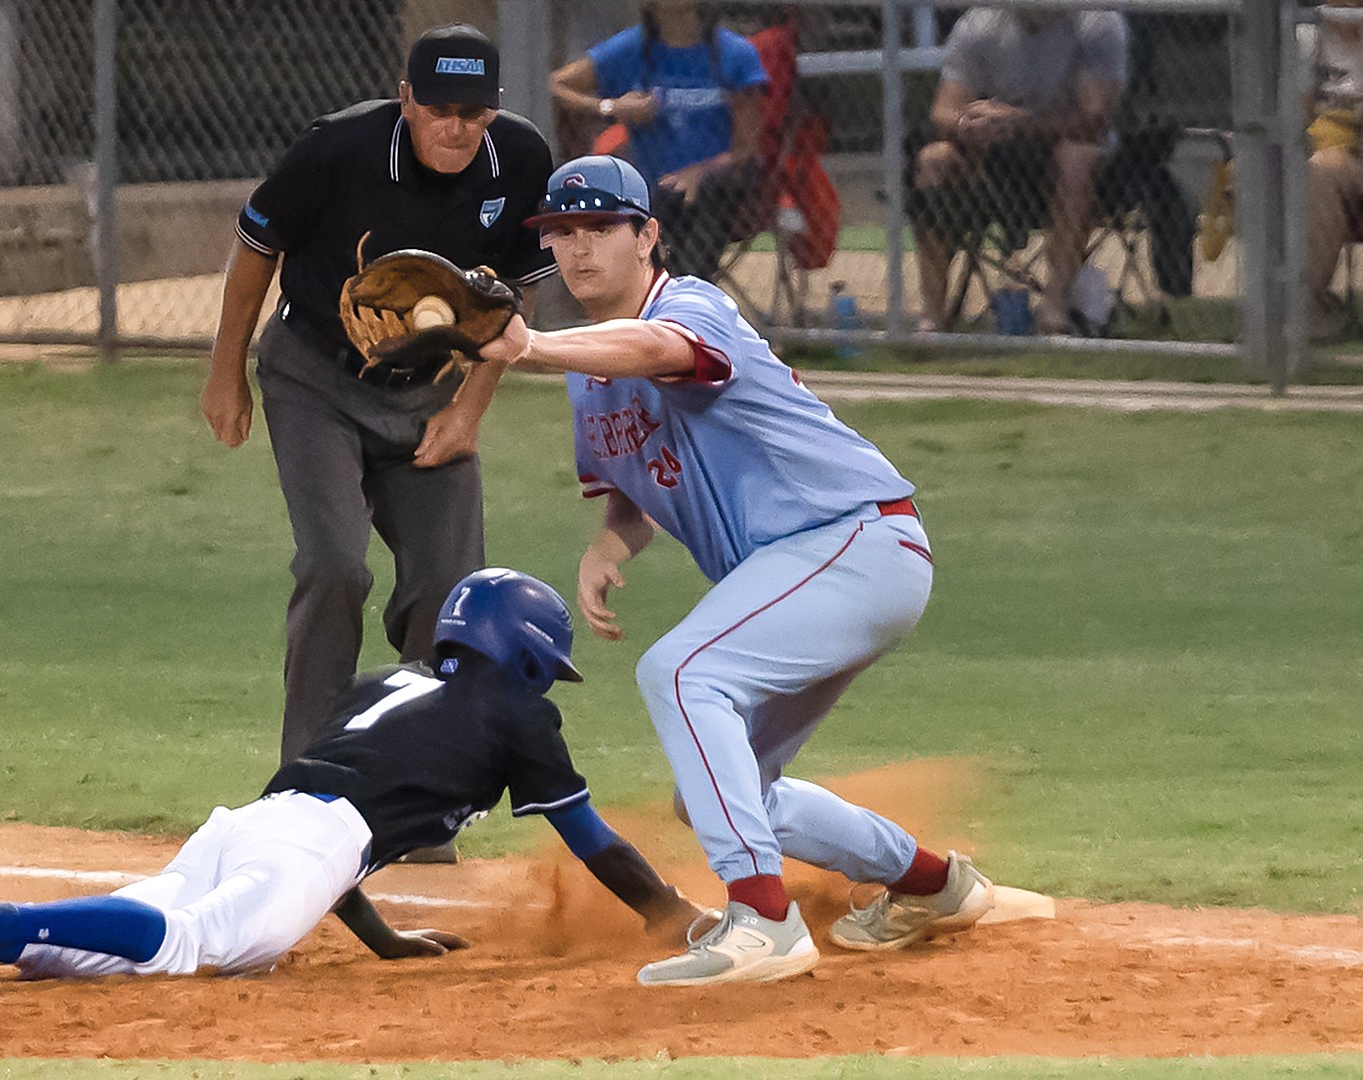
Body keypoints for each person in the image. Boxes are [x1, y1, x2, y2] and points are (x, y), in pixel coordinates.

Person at [476, 155, 996, 988]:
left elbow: (663, 351)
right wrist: (612, 543)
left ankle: (762, 921)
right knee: (725, 788)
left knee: (680, 673)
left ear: (647, 236)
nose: (579, 250)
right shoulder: (587, 372)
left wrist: (529, 344)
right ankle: (934, 886)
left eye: (601, 229)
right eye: (562, 233)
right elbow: (632, 485)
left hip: (852, 541)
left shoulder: (693, 306)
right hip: (812, 567)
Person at [0, 568, 708, 989]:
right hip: (310, 839)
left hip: (253, 821)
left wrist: (381, 940)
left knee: (121, 943)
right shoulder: (517, 713)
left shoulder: (390, 681)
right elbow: (595, 842)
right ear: (524, 657)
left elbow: (341, 819)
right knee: (197, 946)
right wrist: (675, 915)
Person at [200, 27, 558, 866]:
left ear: (493, 112)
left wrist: (468, 412)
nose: (456, 128)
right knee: (335, 564)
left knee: (447, 589)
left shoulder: (520, 160)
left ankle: (415, 802)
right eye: (439, 109)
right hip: (315, 377)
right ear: (406, 99)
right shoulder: (339, 150)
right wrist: (224, 374)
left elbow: (515, 305)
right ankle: (306, 790)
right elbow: (257, 251)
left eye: (474, 113)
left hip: (434, 389)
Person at [912, 7, 1128, 334]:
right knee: (933, 159)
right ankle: (932, 317)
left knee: (1076, 159)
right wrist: (967, 124)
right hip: (996, 162)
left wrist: (1021, 123)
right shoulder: (979, 24)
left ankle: (1055, 311)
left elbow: (1093, 119)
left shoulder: (1096, 24)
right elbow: (942, 111)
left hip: (1070, 161)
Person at [549, 0, 768, 281]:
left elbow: (746, 149)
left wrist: (699, 173)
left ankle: (685, 288)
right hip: (652, 187)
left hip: (722, 189)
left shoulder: (734, 52)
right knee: (659, 198)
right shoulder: (633, 48)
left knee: (704, 192)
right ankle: (669, 292)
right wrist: (611, 107)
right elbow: (555, 85)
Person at [1302, 0, 1363, 334]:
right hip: (1320, 153)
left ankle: (1304, 308)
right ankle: (1274, 313)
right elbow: (1296, 116)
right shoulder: (1308, 36)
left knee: (1321, 173)